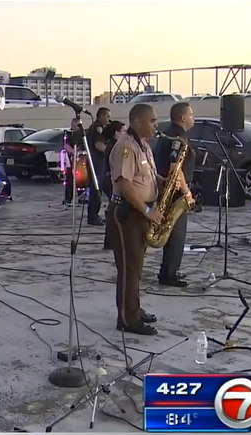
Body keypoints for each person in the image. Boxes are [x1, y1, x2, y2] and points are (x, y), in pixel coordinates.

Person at [107, 104, 169, 336]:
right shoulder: (125, 146)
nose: (156, 124)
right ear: (137, 122)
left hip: (139, 213)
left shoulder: (142, 145)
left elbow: (143, 175)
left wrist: (162, 181)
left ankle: (134, 308)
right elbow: (124, 183)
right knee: (129, 268)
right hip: (128, 214)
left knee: (137, 266)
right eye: (152, 120)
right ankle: (127, 319)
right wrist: (146, 210)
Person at [154, 102, 197, 287]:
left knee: (173, 234)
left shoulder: (169, 133)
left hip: (166, 189)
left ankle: (169, 270)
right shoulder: (179, 137)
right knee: (176, 234)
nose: (193, 118)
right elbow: (175, 167)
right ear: (183, 118)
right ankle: (169, 274)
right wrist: (187, 192)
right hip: (175, 192)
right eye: (192, 114)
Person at [100, 120, 127, 250]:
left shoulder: (113, 145)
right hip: (110, 180)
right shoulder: (116, 146)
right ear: (116, 133)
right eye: (124, 131)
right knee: (115, 211)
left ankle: (111, 241)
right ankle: (112, 241)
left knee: (114, 211)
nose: (126, 134)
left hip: (108, 179)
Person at [85, 108, 112, 225]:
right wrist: (112, 152)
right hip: (96, 162)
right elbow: (99, 144)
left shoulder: (101, 128)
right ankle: (93, 217)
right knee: (96, 189)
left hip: (100, 162)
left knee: (106, 187)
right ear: (101, 116)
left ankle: (108, 213)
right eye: (107, 116)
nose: (109, 119)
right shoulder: (97, 128)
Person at [62, 118, 80, 206]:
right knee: (69, 179)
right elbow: (66, 145)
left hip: (81, 159)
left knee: (81, 178)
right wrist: (74, 152)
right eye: (75, 125)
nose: (76, 127)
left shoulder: (82, 134)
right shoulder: (68, 134)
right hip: (70, 160)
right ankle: (68, 198)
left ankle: (82, 197)